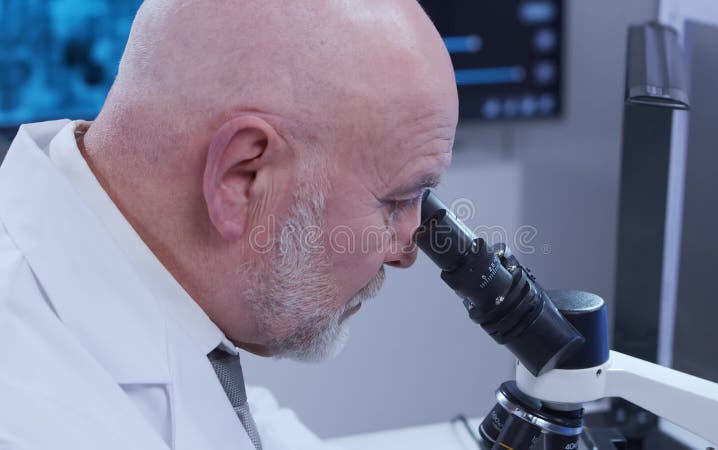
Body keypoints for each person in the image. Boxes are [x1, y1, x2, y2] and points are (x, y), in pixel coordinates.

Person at [0, 0, 458, 449]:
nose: (405, 252)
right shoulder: (32, 416)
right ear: (243, 178)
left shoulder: (170, 306)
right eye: (395, 201)